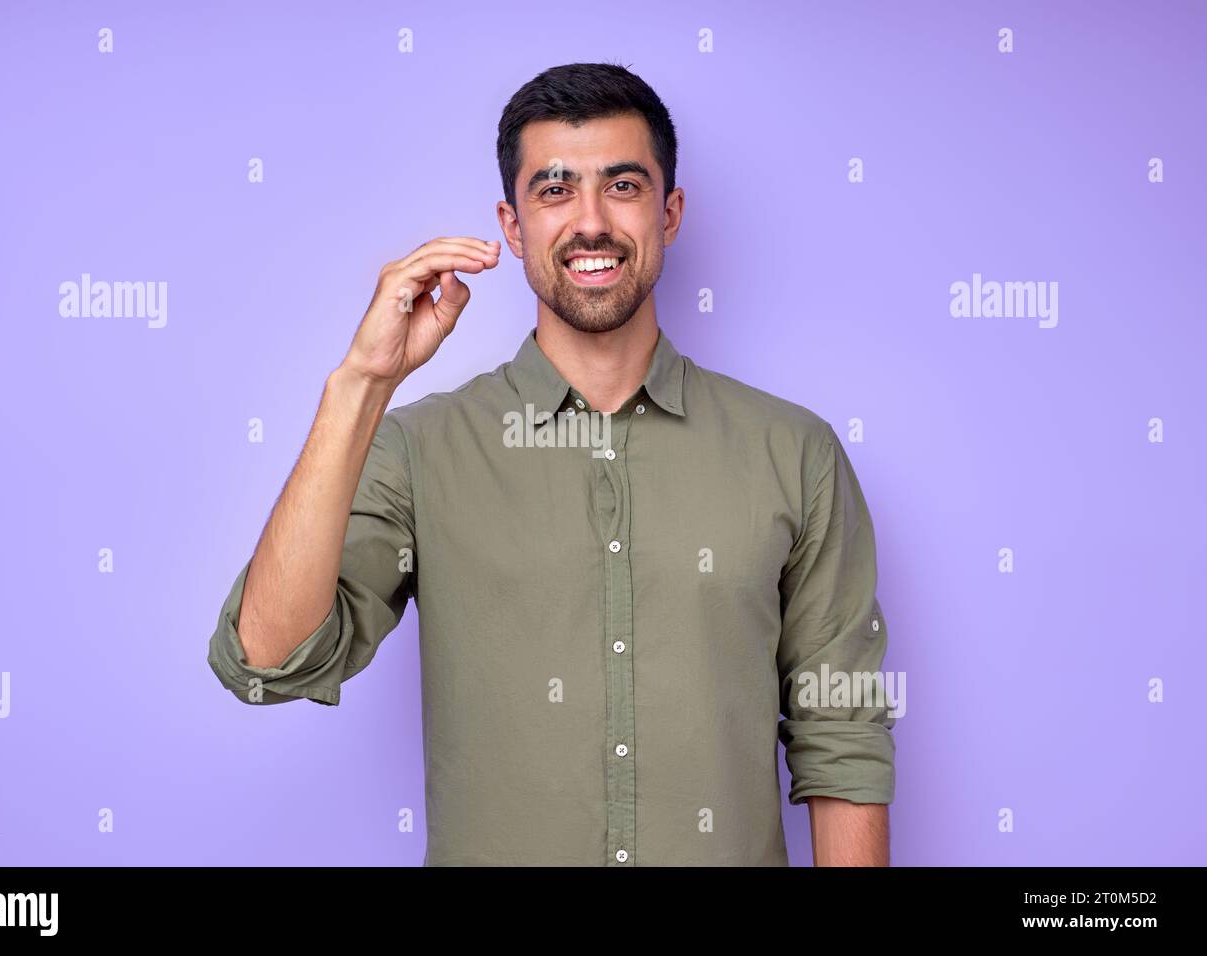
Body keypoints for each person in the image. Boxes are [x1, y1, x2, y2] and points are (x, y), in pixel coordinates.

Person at [208, 62, 896, 866]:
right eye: (555, 190)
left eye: (624, 186)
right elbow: (265, 662)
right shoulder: (419, 450)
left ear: (670, 212)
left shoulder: (795, 453)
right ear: (512, 223)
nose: (592, 222)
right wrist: (362, 385)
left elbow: (841, 734)